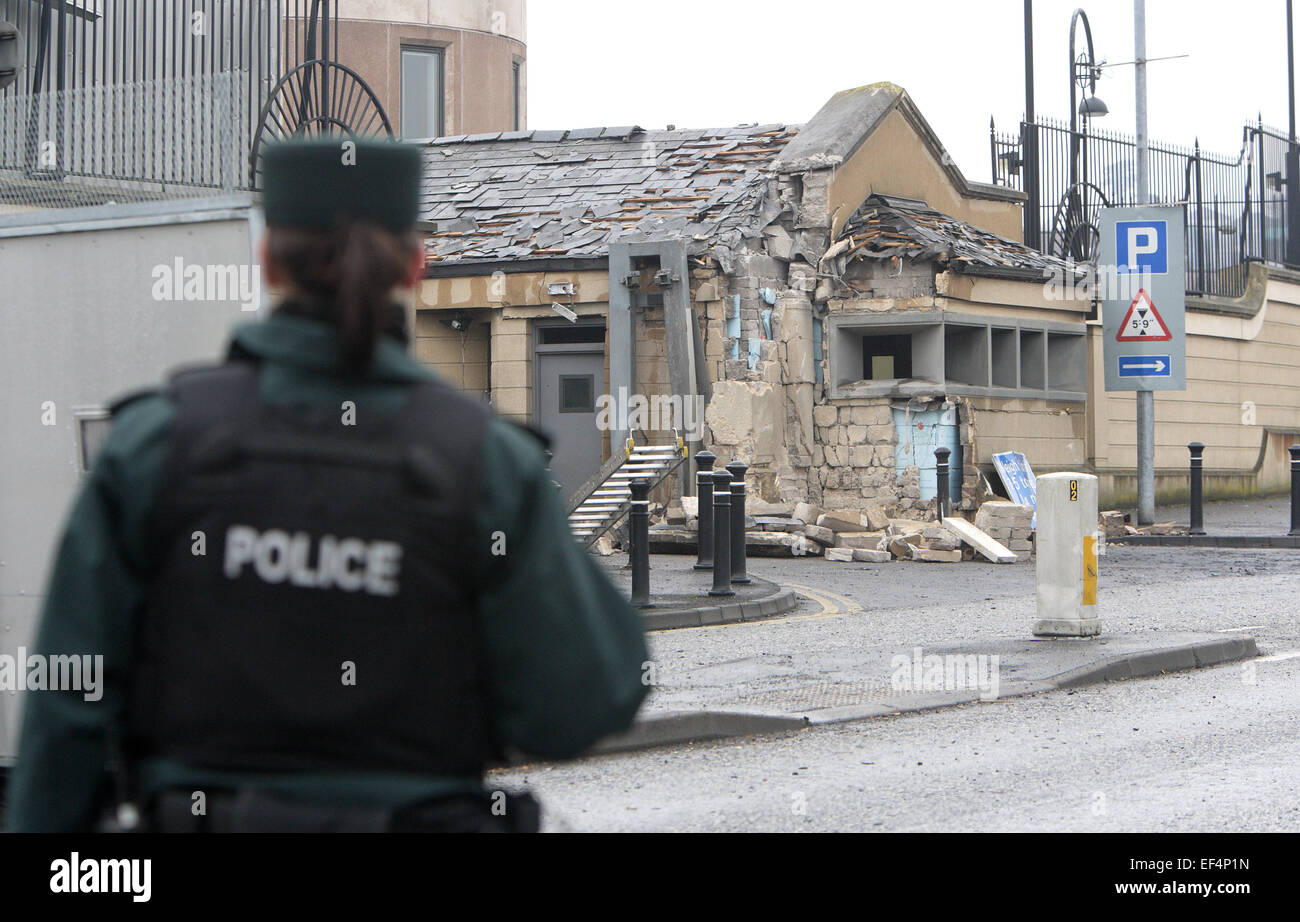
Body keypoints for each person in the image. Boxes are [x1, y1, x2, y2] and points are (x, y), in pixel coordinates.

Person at [5, 139, 648, 833]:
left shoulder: (156, 445)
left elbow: (66, 706)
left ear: (267, 260)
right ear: (415, 266)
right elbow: (586, 702)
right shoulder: (484, 462)